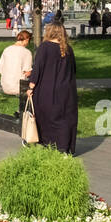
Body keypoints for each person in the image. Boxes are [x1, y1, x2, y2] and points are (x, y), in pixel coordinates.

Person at [29, 21, 76, 154]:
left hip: (47, 90)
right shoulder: (68, 49)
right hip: (66, 91)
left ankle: (48, 144)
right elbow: (73, 70)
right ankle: (64, 147)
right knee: (64, 119)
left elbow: (37, 68)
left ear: (49, 32)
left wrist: (31, 87)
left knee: (47, 117)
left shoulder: (45, 47)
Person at [0, 30, 33, 106]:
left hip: (5, 85)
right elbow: (27, 73)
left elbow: (0, 69)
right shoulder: (26, 52)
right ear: (27, 40)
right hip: (18, 86)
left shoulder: (6, 50)